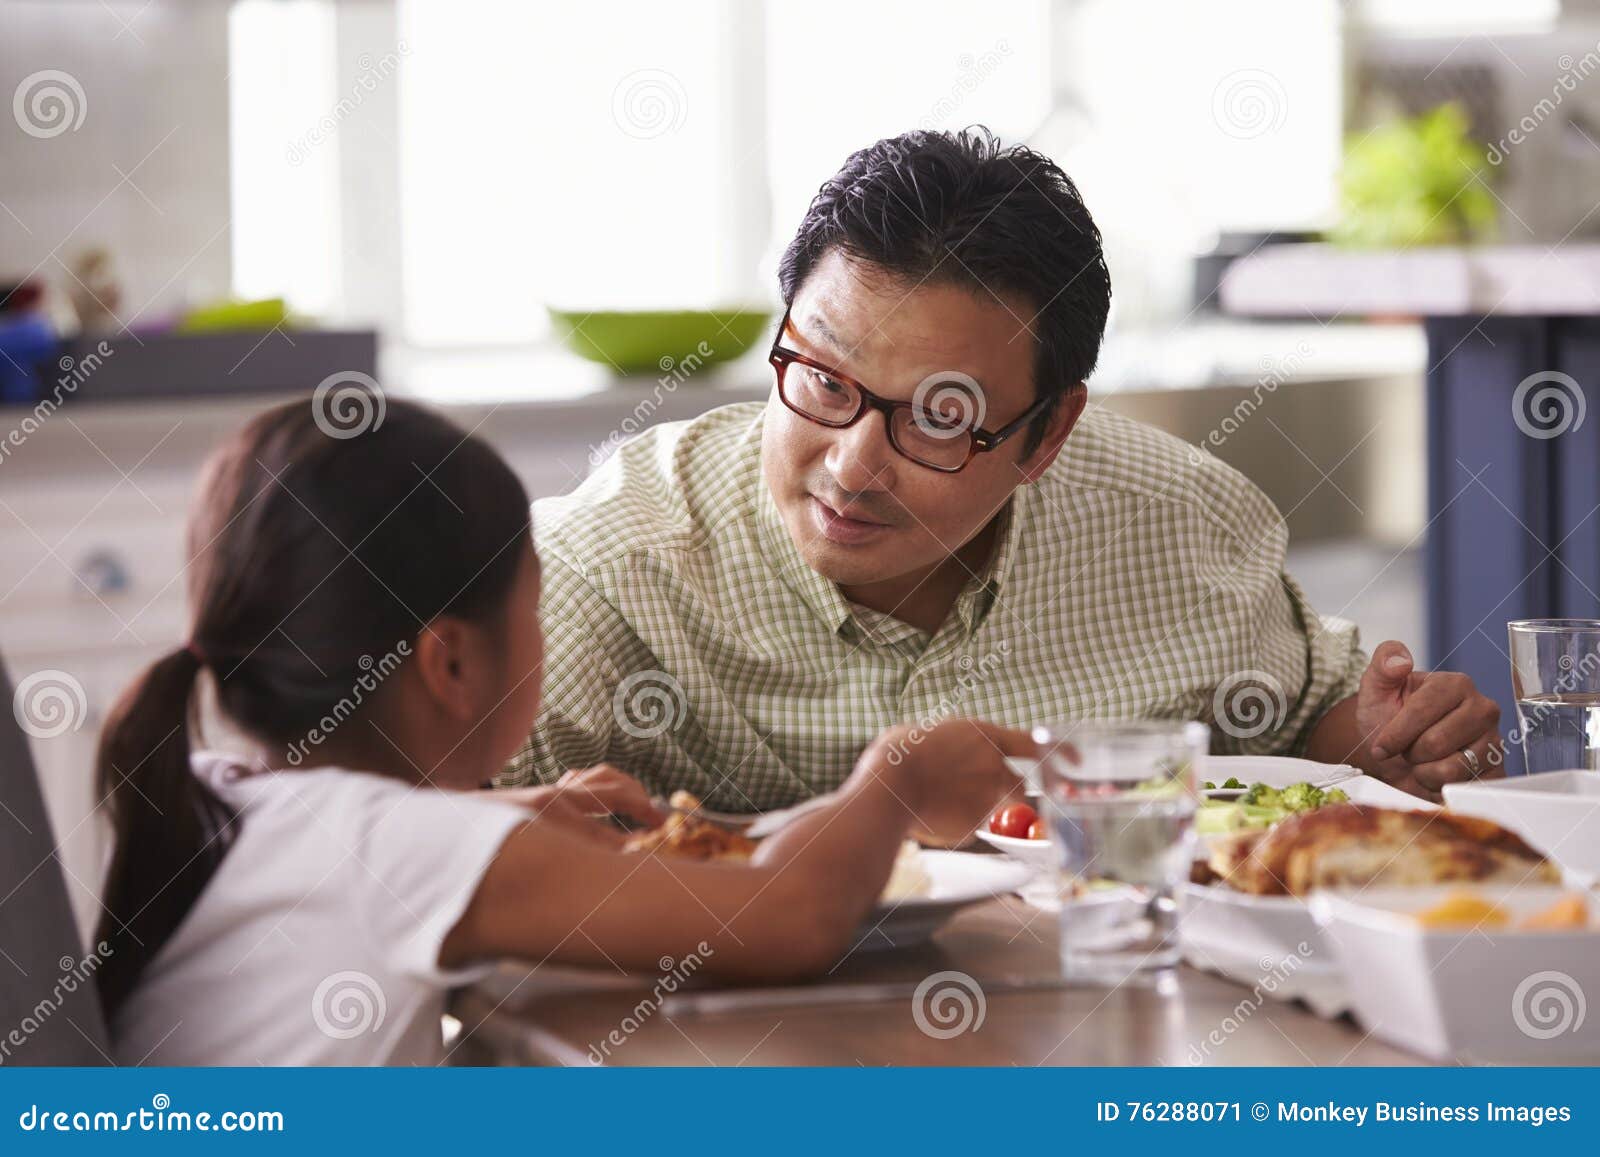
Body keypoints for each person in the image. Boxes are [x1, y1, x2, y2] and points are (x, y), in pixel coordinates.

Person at [506, 127, 1501, 808]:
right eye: (823, 379)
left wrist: (1391, 739)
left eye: (941, 420)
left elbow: (1307, 736)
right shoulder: (611, 567)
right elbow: (446, 840)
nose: (852, 466)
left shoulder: (1179, 525)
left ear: (1049, 432)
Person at [96, 395, 1030, 1066]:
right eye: (534, 611)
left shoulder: (223, 787)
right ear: (451, 666)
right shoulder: (406, 845)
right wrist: (897, 779)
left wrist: (510, 815)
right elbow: (791, 920)